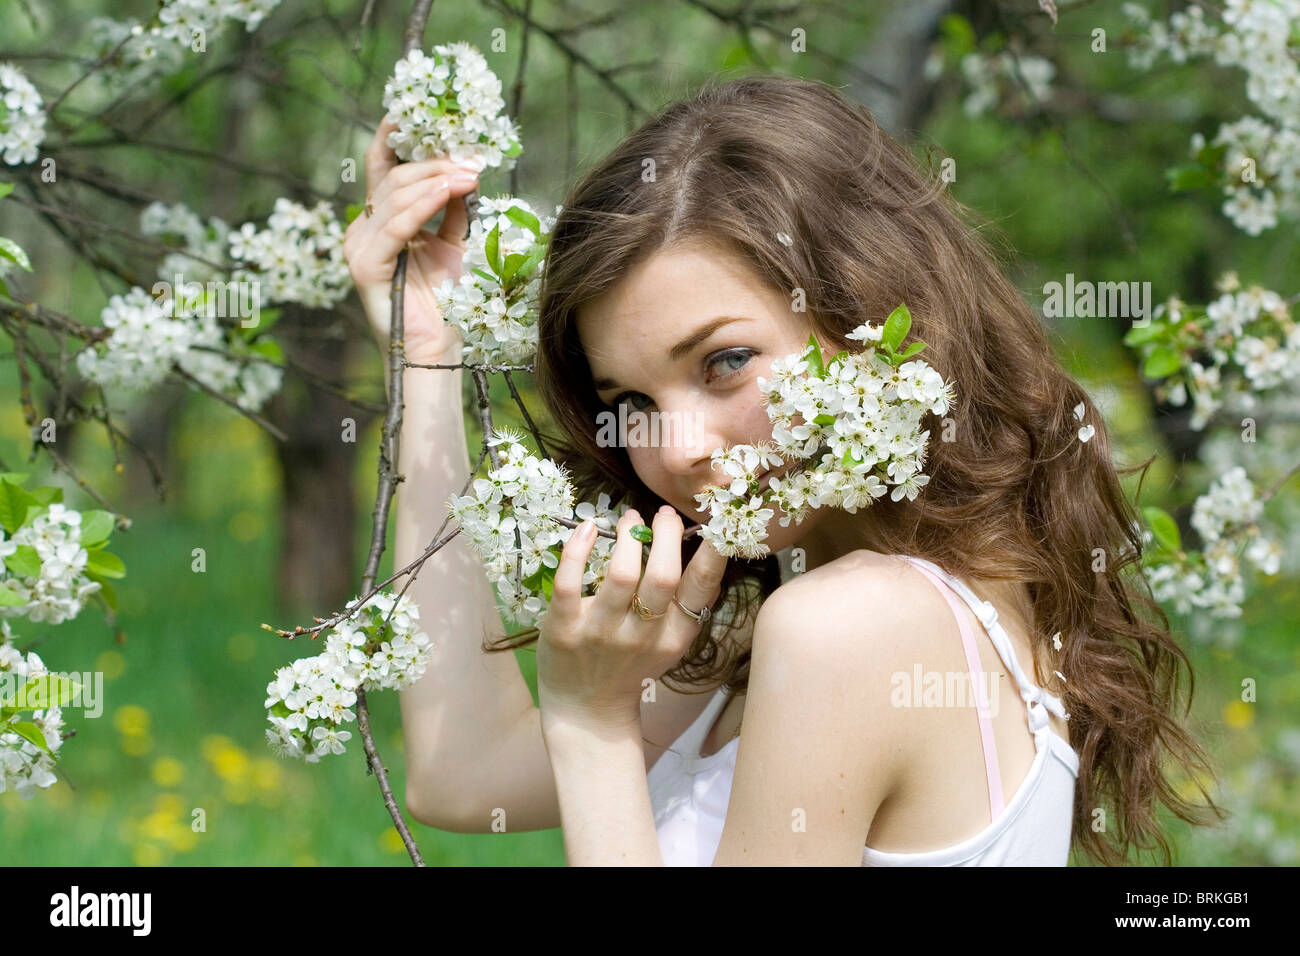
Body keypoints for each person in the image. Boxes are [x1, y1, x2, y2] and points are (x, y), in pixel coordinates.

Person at [343, 73, 1219, 866]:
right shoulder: (787, 626)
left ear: (869, 311)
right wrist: (426, 358)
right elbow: (464, 775)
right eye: (633, 401)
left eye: (724, 362)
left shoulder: (848, 627)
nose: (678, 448)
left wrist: (592, 727)